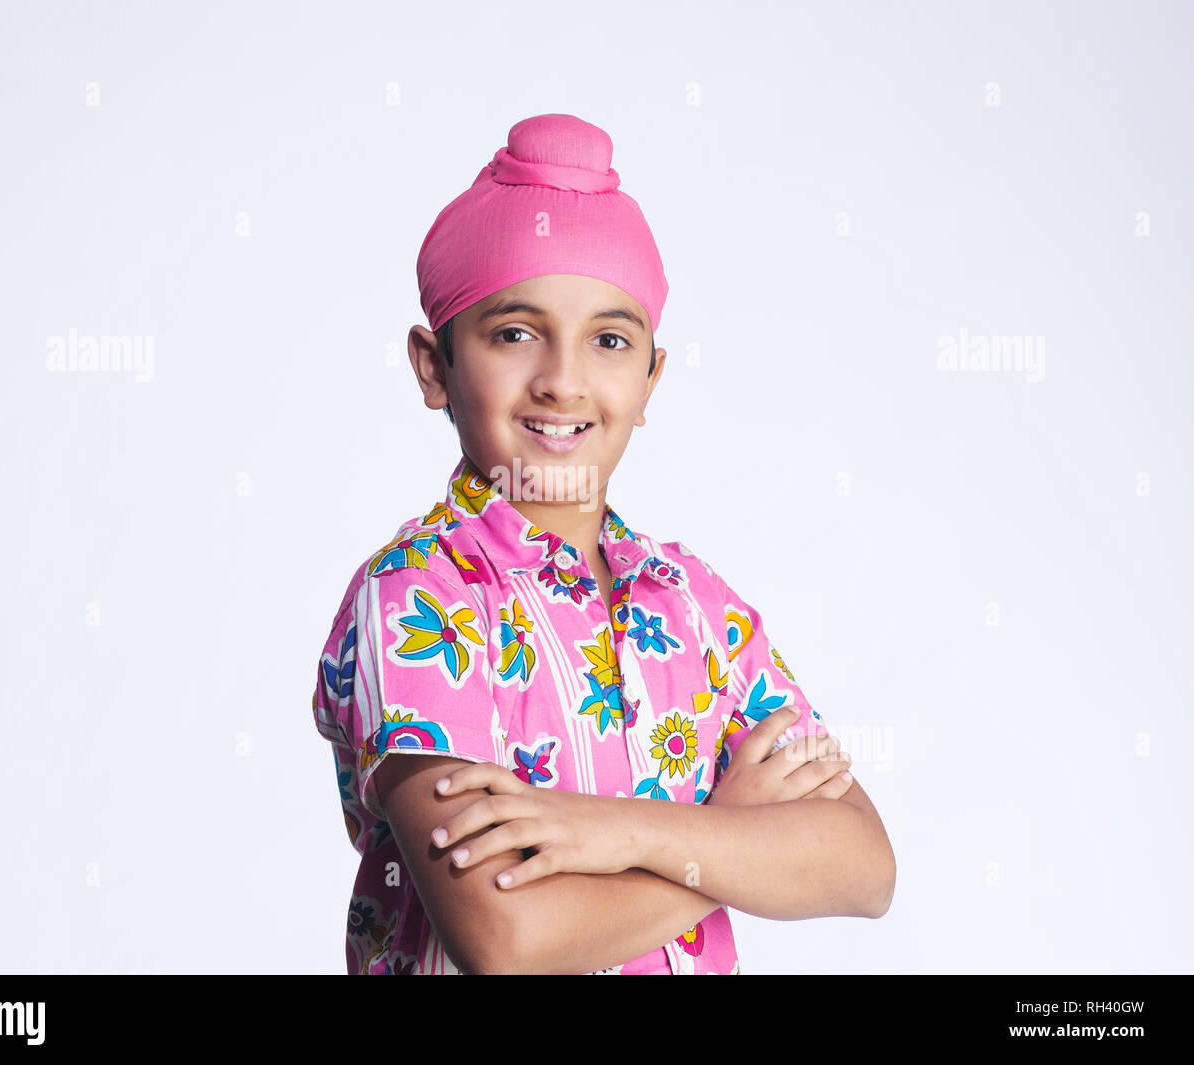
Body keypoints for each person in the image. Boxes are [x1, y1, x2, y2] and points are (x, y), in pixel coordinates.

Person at [312, 113, 895, 975]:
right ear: (435, 365)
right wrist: (731, 841)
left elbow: (862, 863)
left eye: (610, 340)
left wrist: (613, 830)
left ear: (650, 377)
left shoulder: (696, 607)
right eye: (516, 332)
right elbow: (507, 940)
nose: (564, 378)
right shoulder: (418, 597)